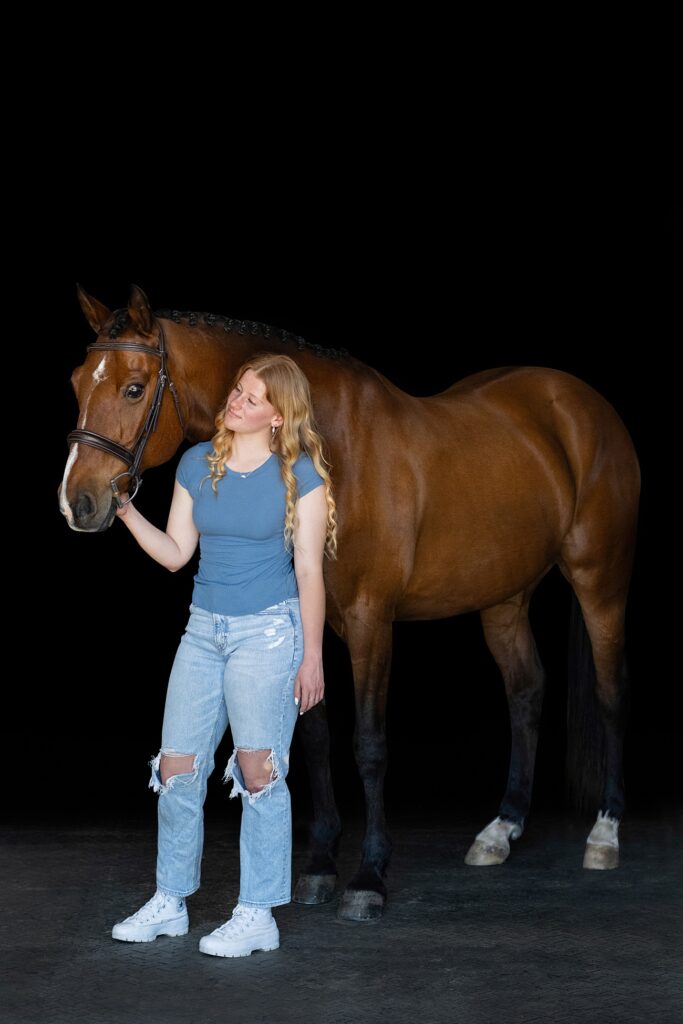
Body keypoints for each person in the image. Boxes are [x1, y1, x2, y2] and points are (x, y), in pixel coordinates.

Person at [110, 352, 337, 957]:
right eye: (238, 390)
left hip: (268, 633)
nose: (236, 402)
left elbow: (311, 571)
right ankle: (170, 901)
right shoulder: (196, 464)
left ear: (279, 417)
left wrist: (311, 656)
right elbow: (177, 552)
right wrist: (128, 511)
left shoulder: (301, 473)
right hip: (204, 630)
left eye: (252, 398)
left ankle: (258, 912)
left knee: (260, 772)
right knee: (175, 767)